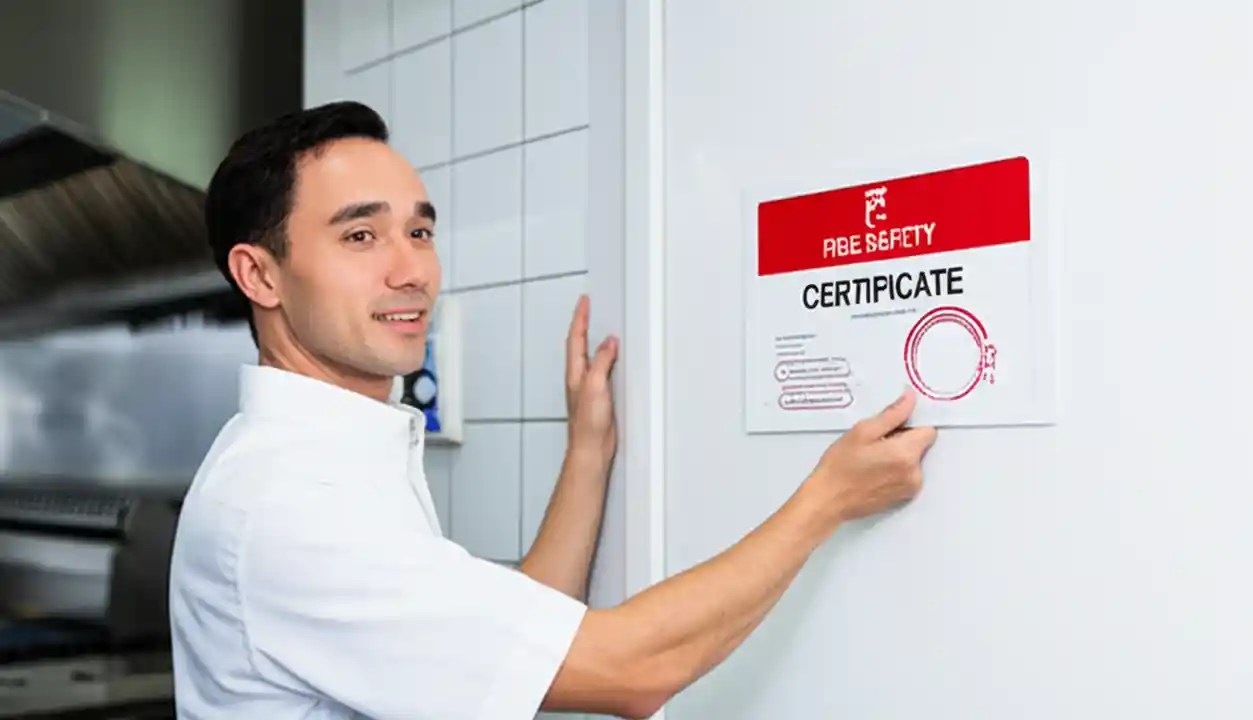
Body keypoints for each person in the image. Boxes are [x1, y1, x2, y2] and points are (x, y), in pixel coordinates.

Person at [168, 101, 938, 719]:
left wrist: (589, 452)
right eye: (361, 235)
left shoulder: (327, 460)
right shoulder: (292, 503)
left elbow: (518, 634)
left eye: (420, 231)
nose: (411, 271)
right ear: (260, 275)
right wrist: (828, 499)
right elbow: (632, 670)